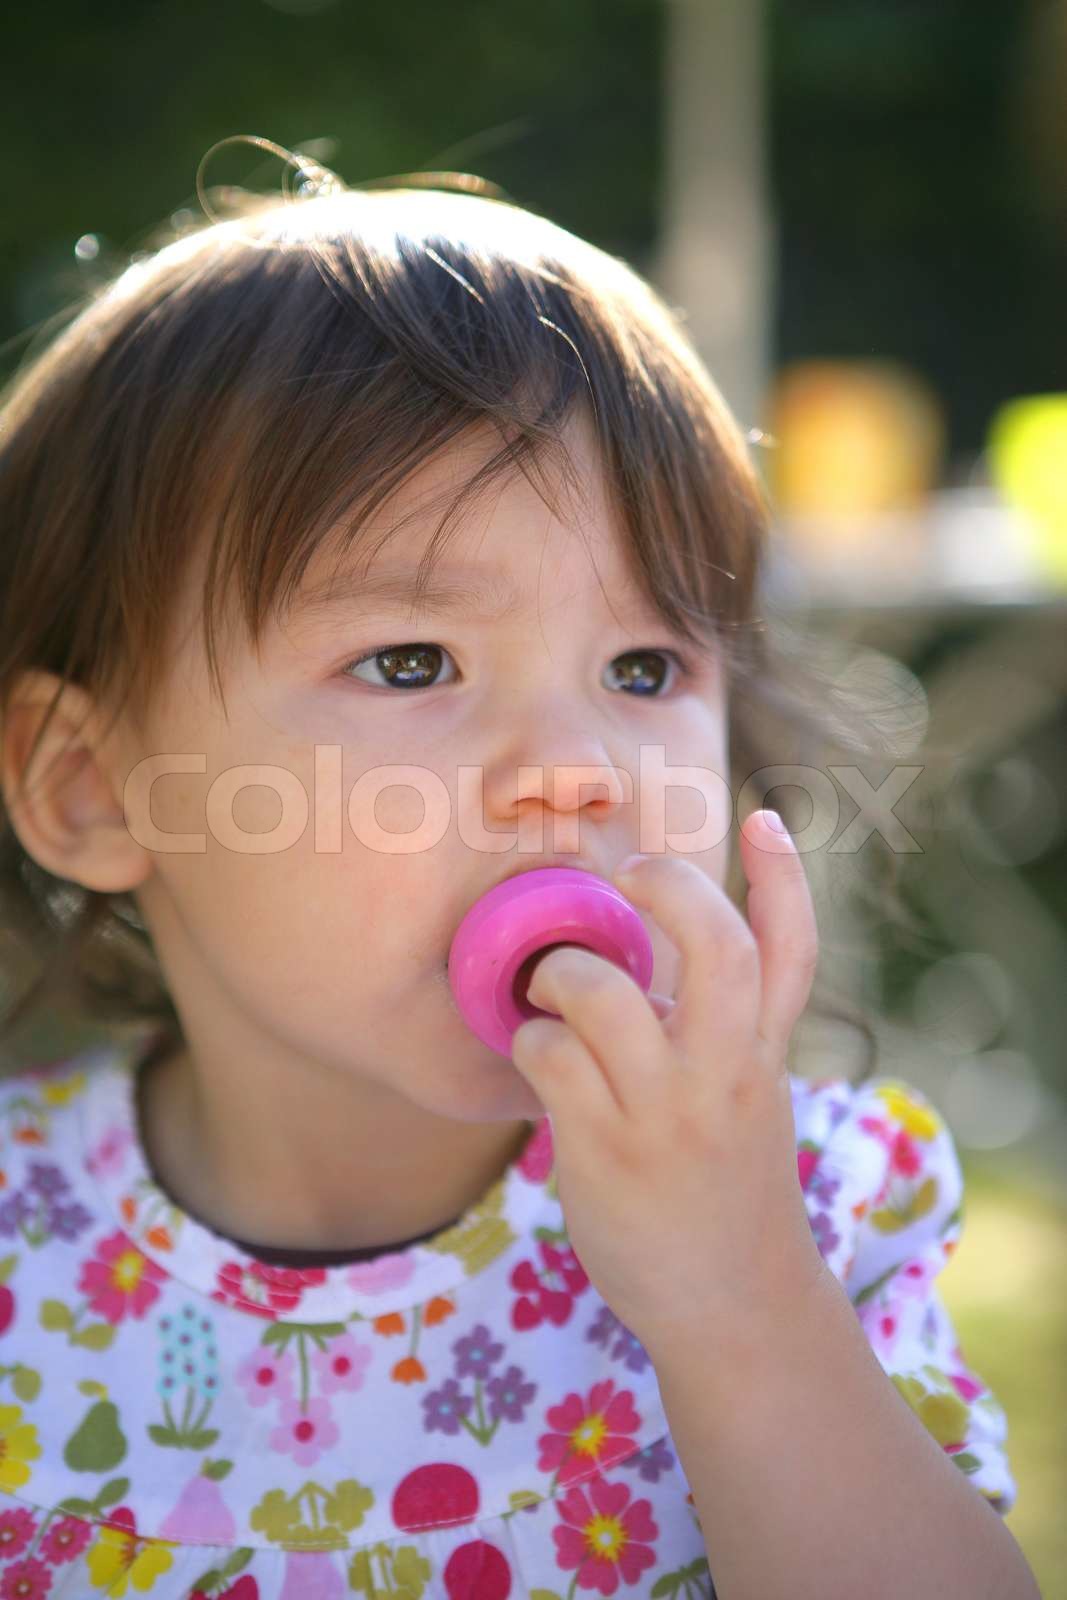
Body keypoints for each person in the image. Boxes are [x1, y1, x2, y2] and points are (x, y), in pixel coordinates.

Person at [0, 148, 1031, 1599]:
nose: (578, 766)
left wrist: (738, 1300)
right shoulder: (16, 1239)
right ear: (93, 786)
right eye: (411, 662)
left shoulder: (804, 1205)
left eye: (644, 665)